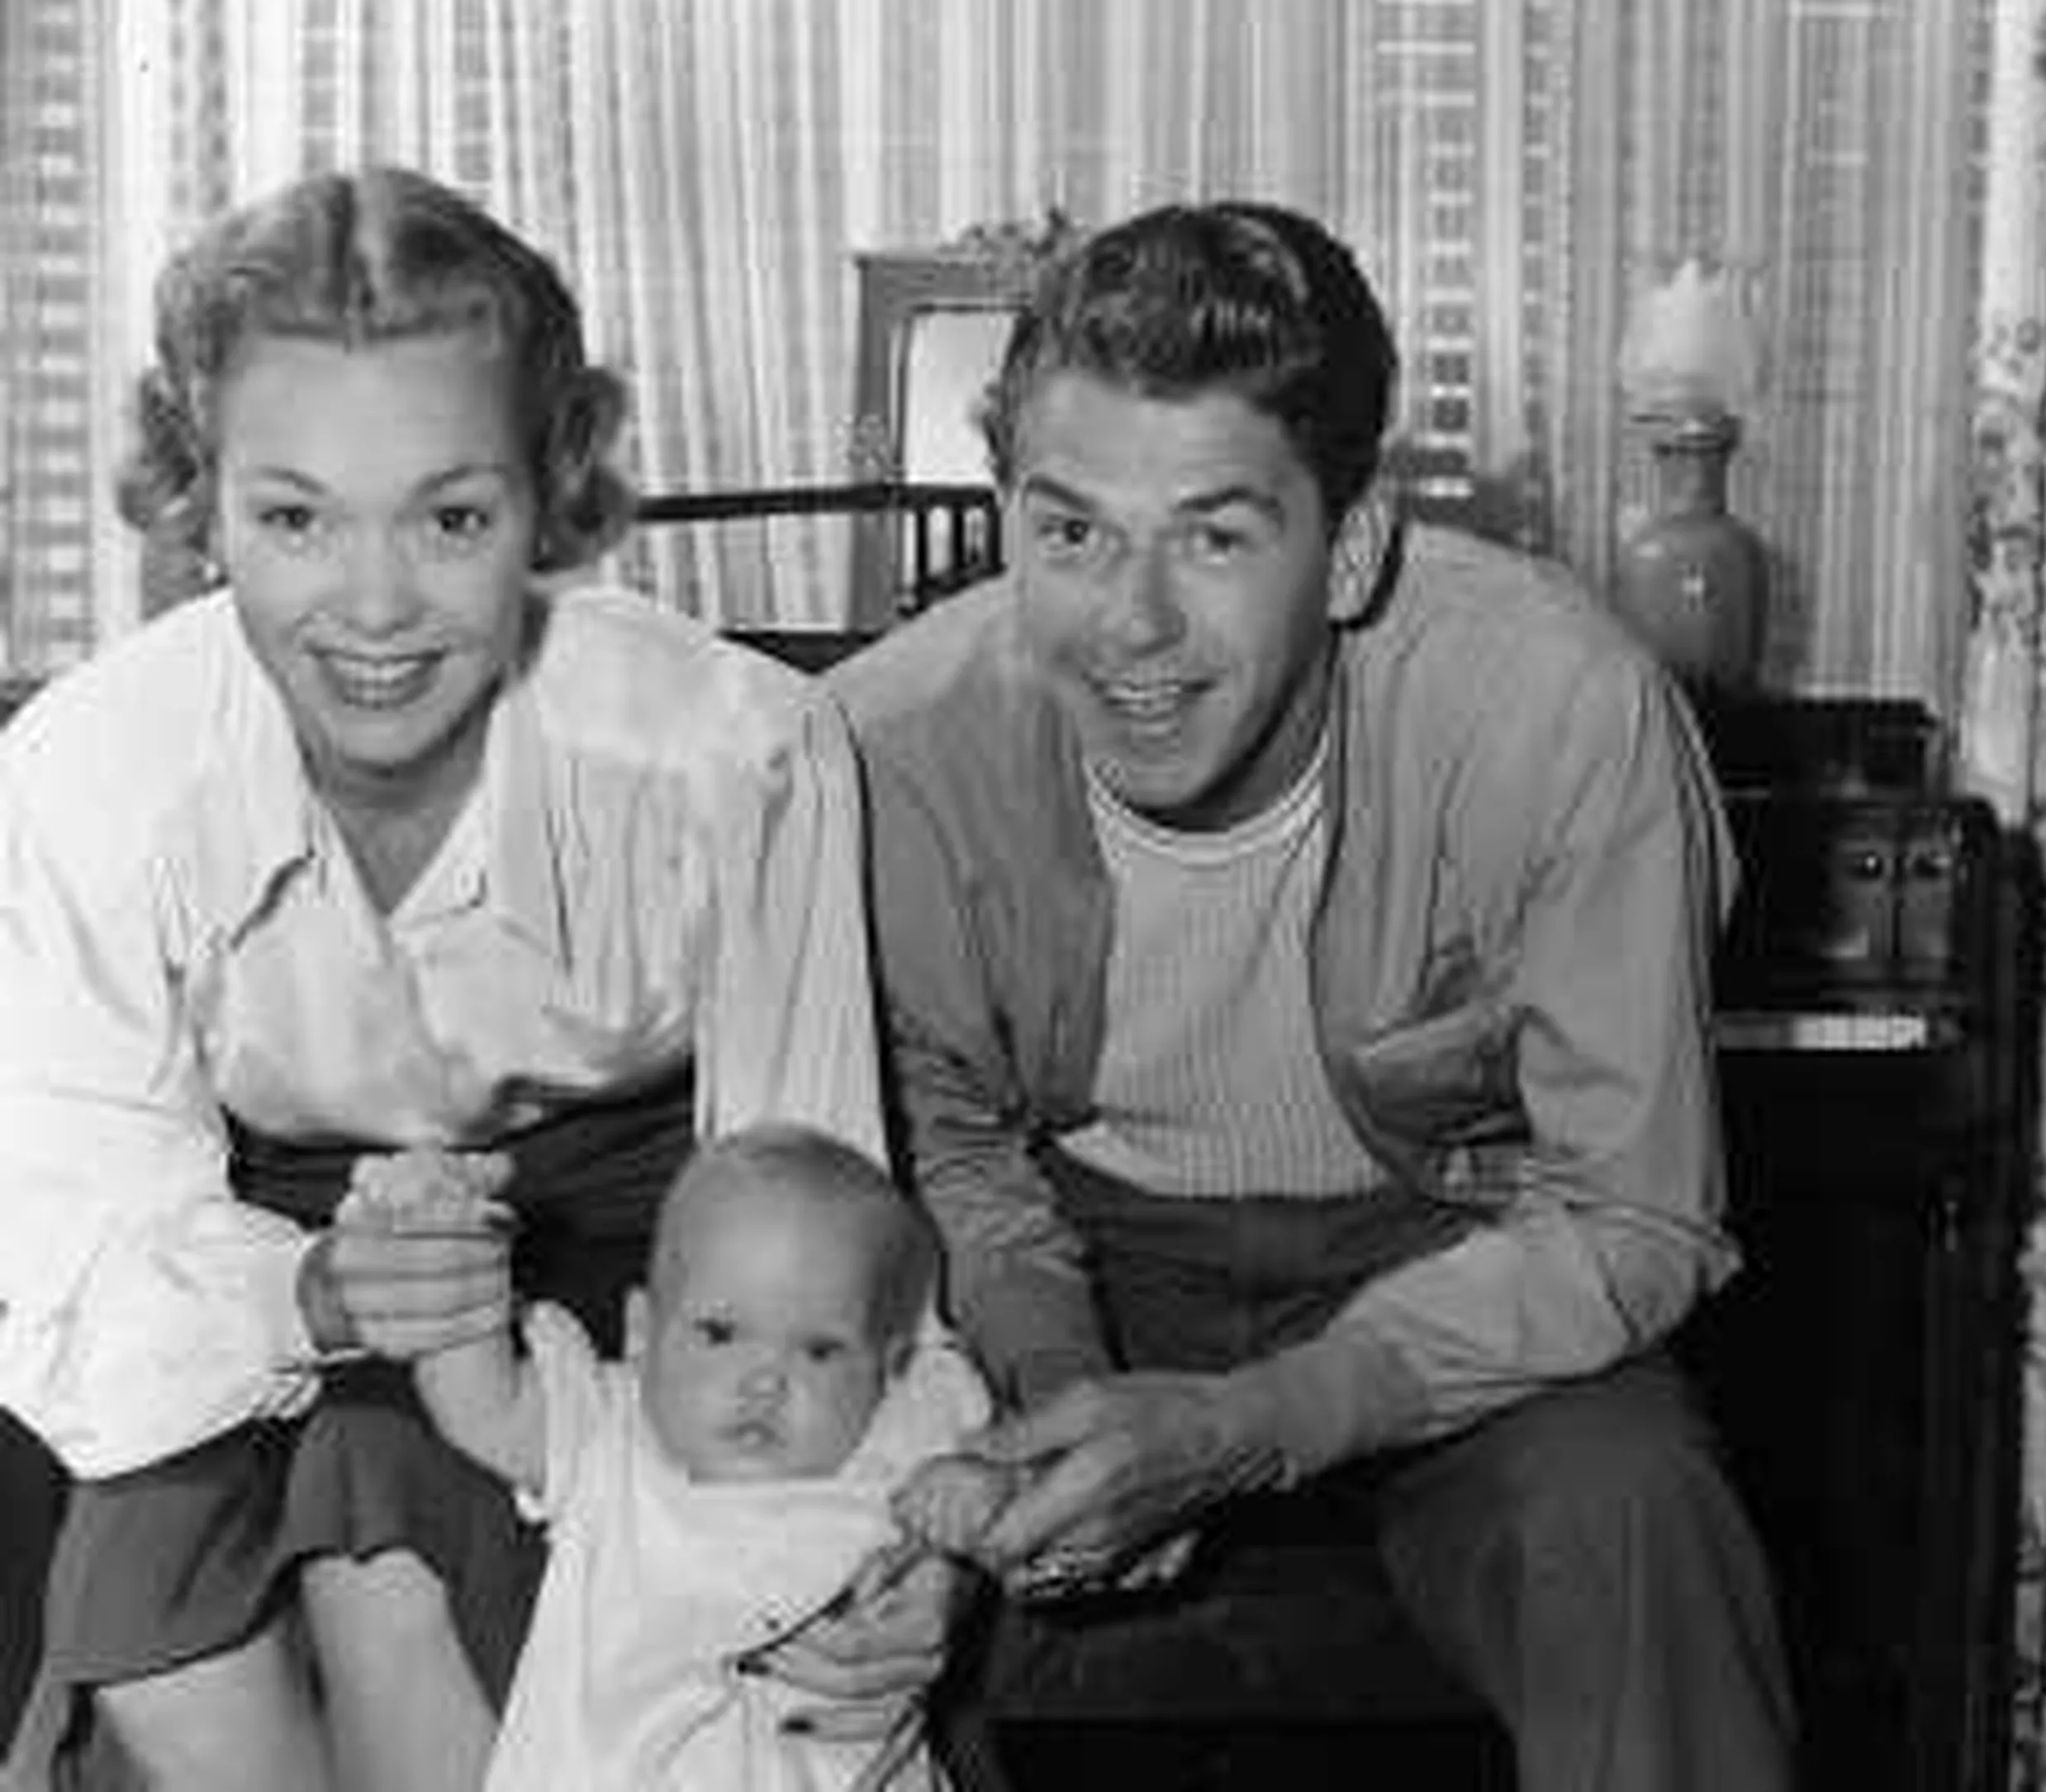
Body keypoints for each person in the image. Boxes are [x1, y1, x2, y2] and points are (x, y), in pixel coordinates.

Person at [0, 166, 958, 1792]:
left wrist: (900, 1537)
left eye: (451, 519)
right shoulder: (86, 779)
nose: (374, 608)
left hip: (646, 1237)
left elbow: (822, 1243)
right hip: (240, 1243)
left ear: (552, 492)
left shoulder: (737, 752)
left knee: (396, 1568)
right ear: (199, 501)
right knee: (158, 1634)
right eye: (293, 518)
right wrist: (320, 1292)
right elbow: (78, 1277)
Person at [829, 200, 1798, 1790]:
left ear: (1348, 548)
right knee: (816, 1538)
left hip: (1454, 1254)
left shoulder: (1564, 714)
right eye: (1069, 535)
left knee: (1633, 1514)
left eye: (1214, 538)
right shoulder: (884, 751)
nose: (1130, 625)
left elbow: (1632, 1216)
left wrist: (1256, 1420)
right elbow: (947, 1153)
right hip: (1077, 1253)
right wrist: (1065, 1399)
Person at [351, 1125, 999, 1792]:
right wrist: (444, 1240)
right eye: (720, 1333)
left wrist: (976, 1498)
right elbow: (479, 1407)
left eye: (819, 1351)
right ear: (642, 1332)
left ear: (885, 1367)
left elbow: (996, 1492)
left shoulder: (898, 1435)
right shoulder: (608, 1433)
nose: (765, 1380)